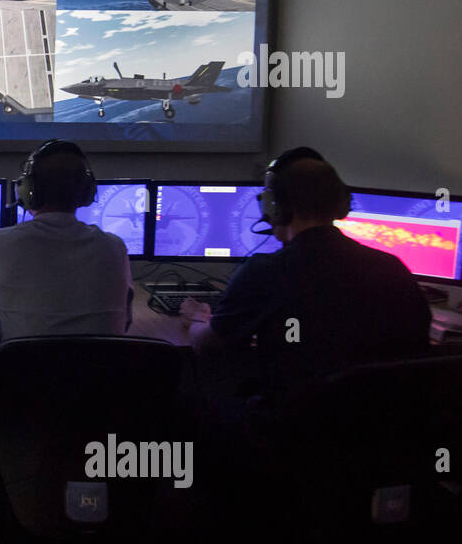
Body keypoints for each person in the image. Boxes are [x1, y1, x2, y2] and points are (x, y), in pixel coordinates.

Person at [181, 147, 432, 392]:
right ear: (341, 205)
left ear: (275, 207)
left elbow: (207, 346)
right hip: (386, 423)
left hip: (293, 424)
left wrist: (198, 317)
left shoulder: (266, 271)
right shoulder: (392, 267)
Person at [0, 140, 132, 342]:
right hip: (100, 372)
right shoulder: (115, 247)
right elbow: (124, 322)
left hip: (21, 371)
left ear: (29, 192)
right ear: (86, 193)